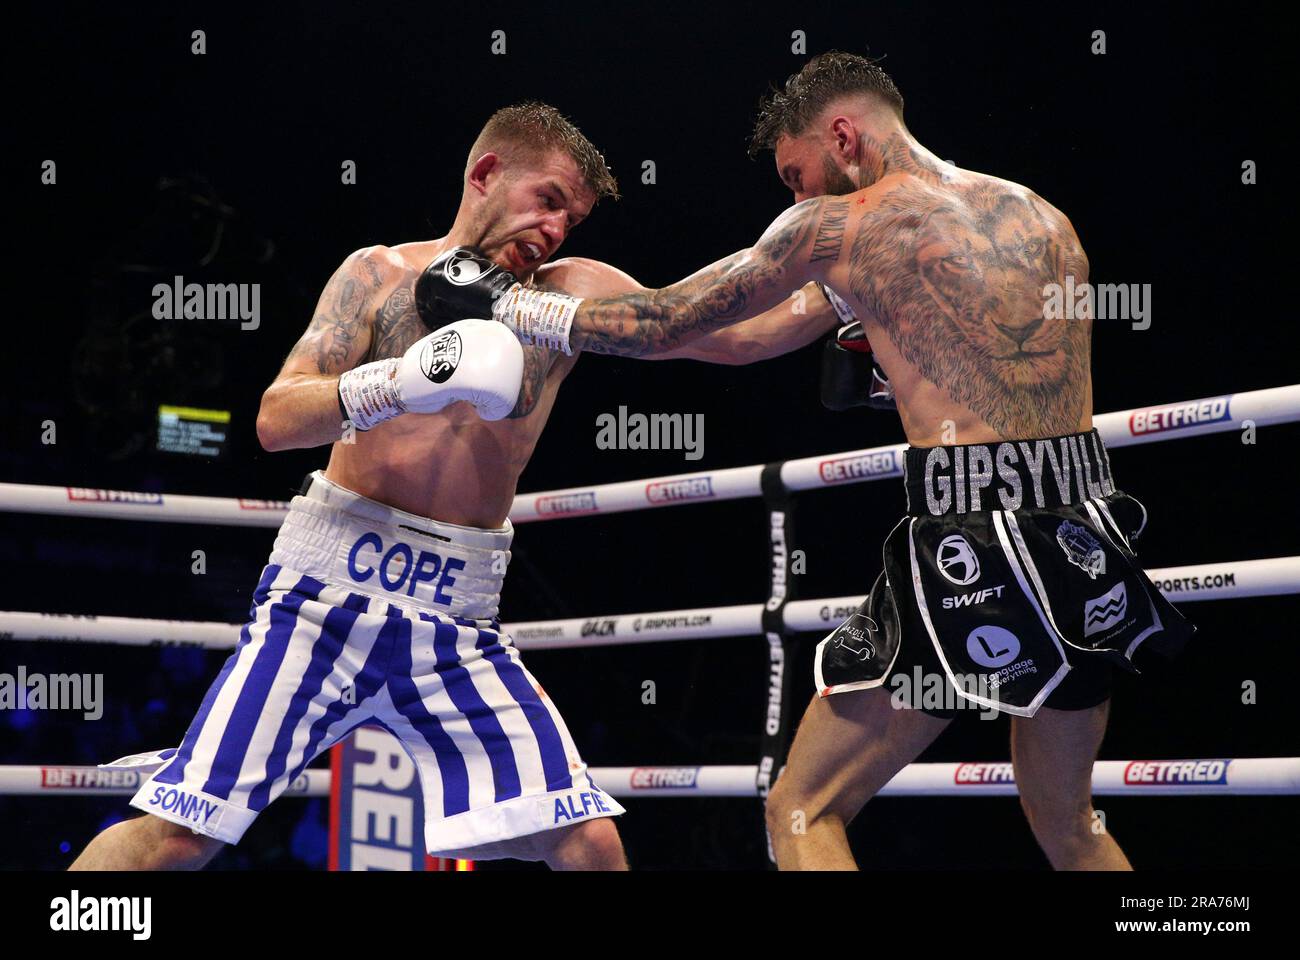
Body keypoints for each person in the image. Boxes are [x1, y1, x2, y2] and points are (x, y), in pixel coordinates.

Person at [418, 55, 1195, 871]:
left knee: (803, 805)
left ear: (844, 136)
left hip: (976, 539)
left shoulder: (838, 225)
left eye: (797, 175)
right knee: (1070, 825)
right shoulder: (1040, 216)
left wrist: (510, 304)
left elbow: (668, 320)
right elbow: (761, 339)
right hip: (1088, 531)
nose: (795, 199)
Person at [70, 101, 841, 871]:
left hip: (457, 617)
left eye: (570, 219)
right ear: (484, 174)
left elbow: (732, 333)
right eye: (546, 200)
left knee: (589, 843)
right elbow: (277, 418)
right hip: (325, 594)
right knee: (179, 834)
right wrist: (400, 382)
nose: (553, 231)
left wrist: (842, 269)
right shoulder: (377, 275)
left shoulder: (566, 295)